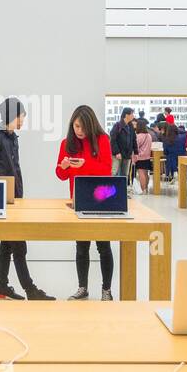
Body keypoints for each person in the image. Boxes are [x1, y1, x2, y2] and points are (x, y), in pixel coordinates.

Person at [0, 97, 53, 301]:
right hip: (4, 199)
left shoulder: (12, 137)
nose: (23, 121)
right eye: (21, 116)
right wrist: (2, 192)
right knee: (19, 244)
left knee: (7, 243)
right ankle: (30, 289)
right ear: (12, 115)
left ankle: (2, 288)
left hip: (16, 198)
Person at [56, 105, 115, 301]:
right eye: (75, 126)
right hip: (78, 201)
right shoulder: (67, 143)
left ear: (90, 125)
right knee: (81, 247)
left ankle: (106, 290)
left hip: (100, 201)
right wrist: (63, 166)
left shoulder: (102, 140)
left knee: (103, 246)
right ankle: (83, 288)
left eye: (81, 127)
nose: (78, 131)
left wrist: (85, 164)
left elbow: (106, 171)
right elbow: (61, 175)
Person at [109, 107, 136, 181]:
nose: (133, 116)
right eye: (132, 114)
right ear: (127, 115)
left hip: (127, 154)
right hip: (117, 154)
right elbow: (113, 140)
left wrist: (135, 152)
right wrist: (117, 152)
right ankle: (111, 190)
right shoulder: (117, 125)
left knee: (125, 174)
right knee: (114, 172)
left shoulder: (131, 127)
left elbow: (133, 139)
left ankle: (123, 190)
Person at [132, 117, 154, 194]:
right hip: (147, 157)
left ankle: (143, 189)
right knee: (146, 173)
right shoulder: (149, 135)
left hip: (140, 157)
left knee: (141, 174)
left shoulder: (138, 136)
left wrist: (134, 158)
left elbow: (136, 148)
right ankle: (146, 188)